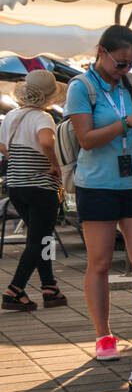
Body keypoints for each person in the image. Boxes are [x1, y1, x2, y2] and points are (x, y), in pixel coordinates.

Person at [66, 25, 132, 360]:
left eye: (131, 65)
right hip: (96, 184)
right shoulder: (81, 87)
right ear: (101, 52)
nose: (125, 70)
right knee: (101, 262)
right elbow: (86, 139)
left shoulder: (131, 85)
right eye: (120, 63)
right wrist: (127, 124)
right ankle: (104, 336)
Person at [0, 70, 68, 311]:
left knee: (41, 237)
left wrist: (16, 160)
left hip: (17, 186)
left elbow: (2, 144)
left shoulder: (11, 116)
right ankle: (14, 290)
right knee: (39, 239)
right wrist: (53, 164)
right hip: (41, 186)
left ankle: (50, 287)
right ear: (48, 97)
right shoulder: (42, 118)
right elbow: (47, 142)